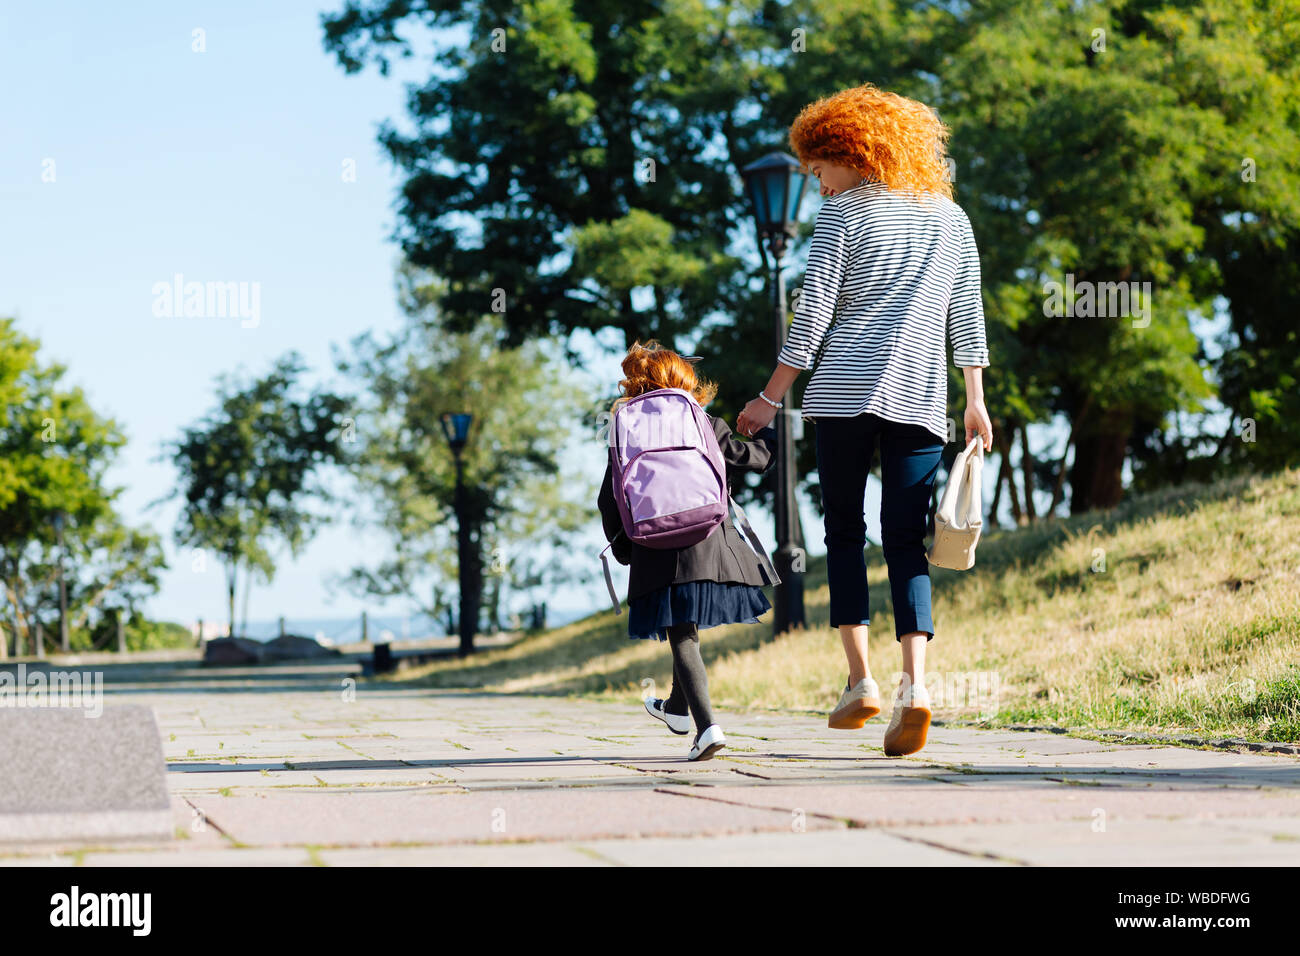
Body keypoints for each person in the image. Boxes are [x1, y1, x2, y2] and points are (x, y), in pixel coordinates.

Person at [735, 83, 994, 758]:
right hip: (920, 397)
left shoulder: (846, 216)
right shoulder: (950, 218)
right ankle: (917, 688)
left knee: (845, 534)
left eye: (818, 170)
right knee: (906, 543)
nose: (816, 185)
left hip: (844, 397)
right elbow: (967, 315)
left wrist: (768, 399)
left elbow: (813, 315)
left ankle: (860, 681)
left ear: (848, 151)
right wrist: (975, 399)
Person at [598, 341, 778, 761]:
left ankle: (708, 728)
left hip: (653, 542)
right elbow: (754, 459)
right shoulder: (702, 421)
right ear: (682, 379)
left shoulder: (624, 427)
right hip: (707, 536)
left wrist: (627, 550)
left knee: (681, 634)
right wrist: (766, 432)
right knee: (686, 628)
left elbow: (609, 498)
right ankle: (679, 711)